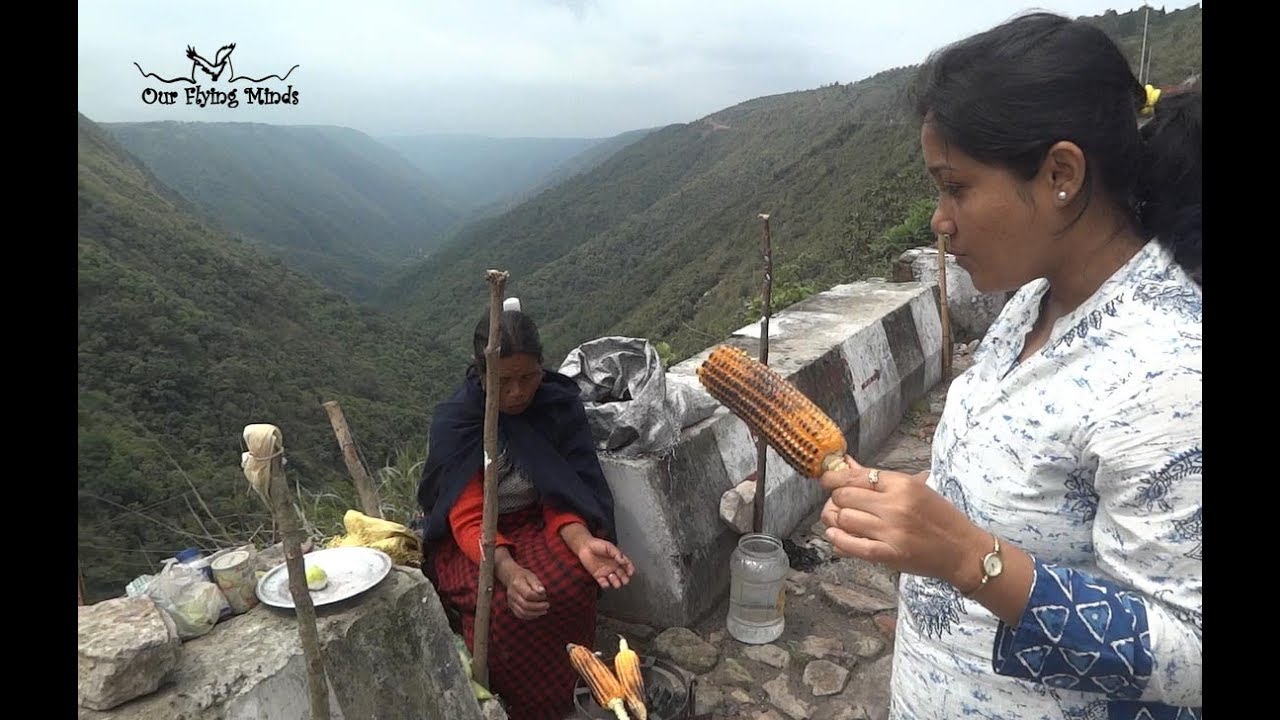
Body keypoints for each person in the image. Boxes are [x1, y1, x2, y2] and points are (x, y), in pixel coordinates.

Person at [817, 12, 1201, 720]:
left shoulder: (1173, 374)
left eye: (955, 187)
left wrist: (969, 559)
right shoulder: (1031, 302)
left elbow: (1192, 656)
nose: (938, 219)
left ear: (1060, 174)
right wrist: (914, 504)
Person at [417, 305, 635, 720]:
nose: (517, 393)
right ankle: (520, 707)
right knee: (501, 608)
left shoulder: (554, 406)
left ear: (542, 369)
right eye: (503, 382)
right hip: (474, 538)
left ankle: (576, 689)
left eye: (527, 378)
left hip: (538, 522)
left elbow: (565, 489)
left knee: (572, 579)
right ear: (482, 376)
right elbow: (464, 515)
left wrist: (583, 541)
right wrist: (508, 570)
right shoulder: (459, 422)